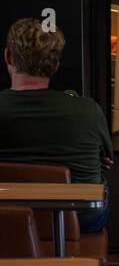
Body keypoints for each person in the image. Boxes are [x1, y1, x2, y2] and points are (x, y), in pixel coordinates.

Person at [0, 19, 112, 234]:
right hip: (79, 220)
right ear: (56, 64)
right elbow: (107, 158)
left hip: (6, 217)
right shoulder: (89, 111)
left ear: (8, 56)